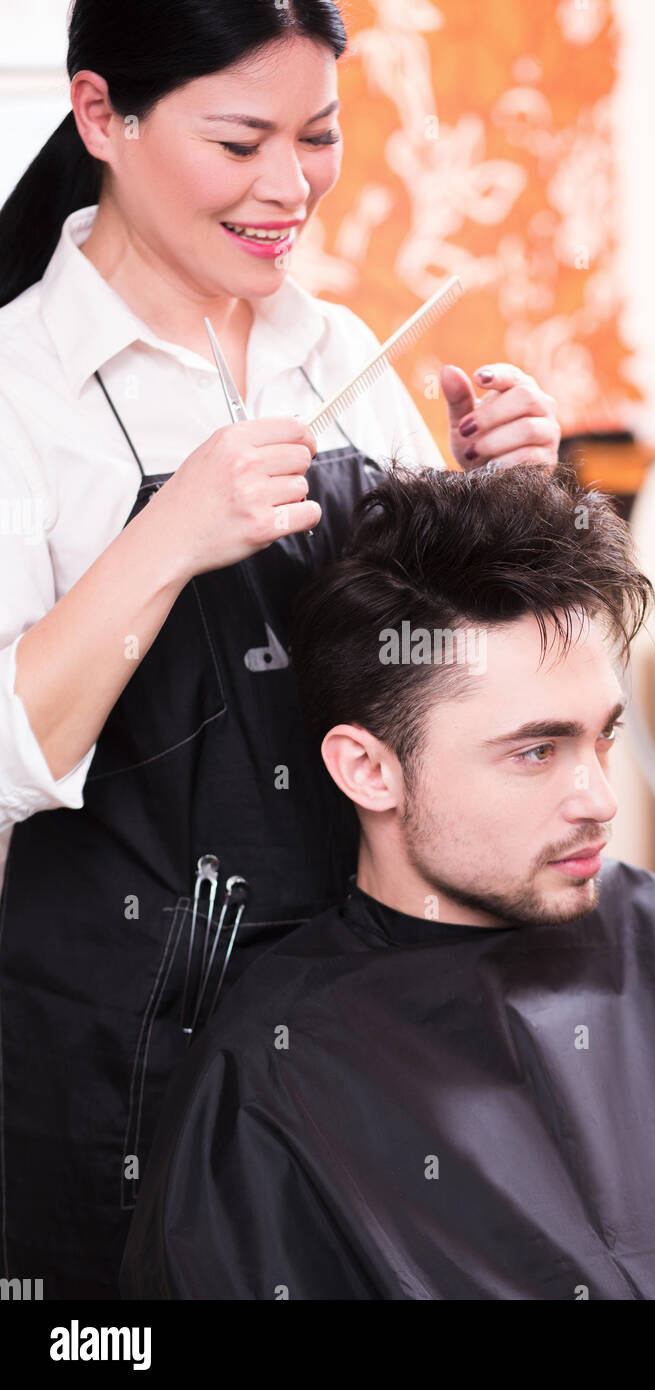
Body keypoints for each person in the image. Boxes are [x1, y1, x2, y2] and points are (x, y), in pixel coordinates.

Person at [0, 0, 561, 1299]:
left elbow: (442, 681)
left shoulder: (344, 353)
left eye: (317, 136)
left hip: (358, 1015)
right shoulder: (25, 388)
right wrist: (170, 535)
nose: (289, 186)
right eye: (240, 139)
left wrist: (511, 504)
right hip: (125, 1051)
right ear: (101, 116)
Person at [120, 462, 655, 1300]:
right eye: (536, 751)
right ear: (369, 770)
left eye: (603, 736)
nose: (600, 800)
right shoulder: (274, 1074)